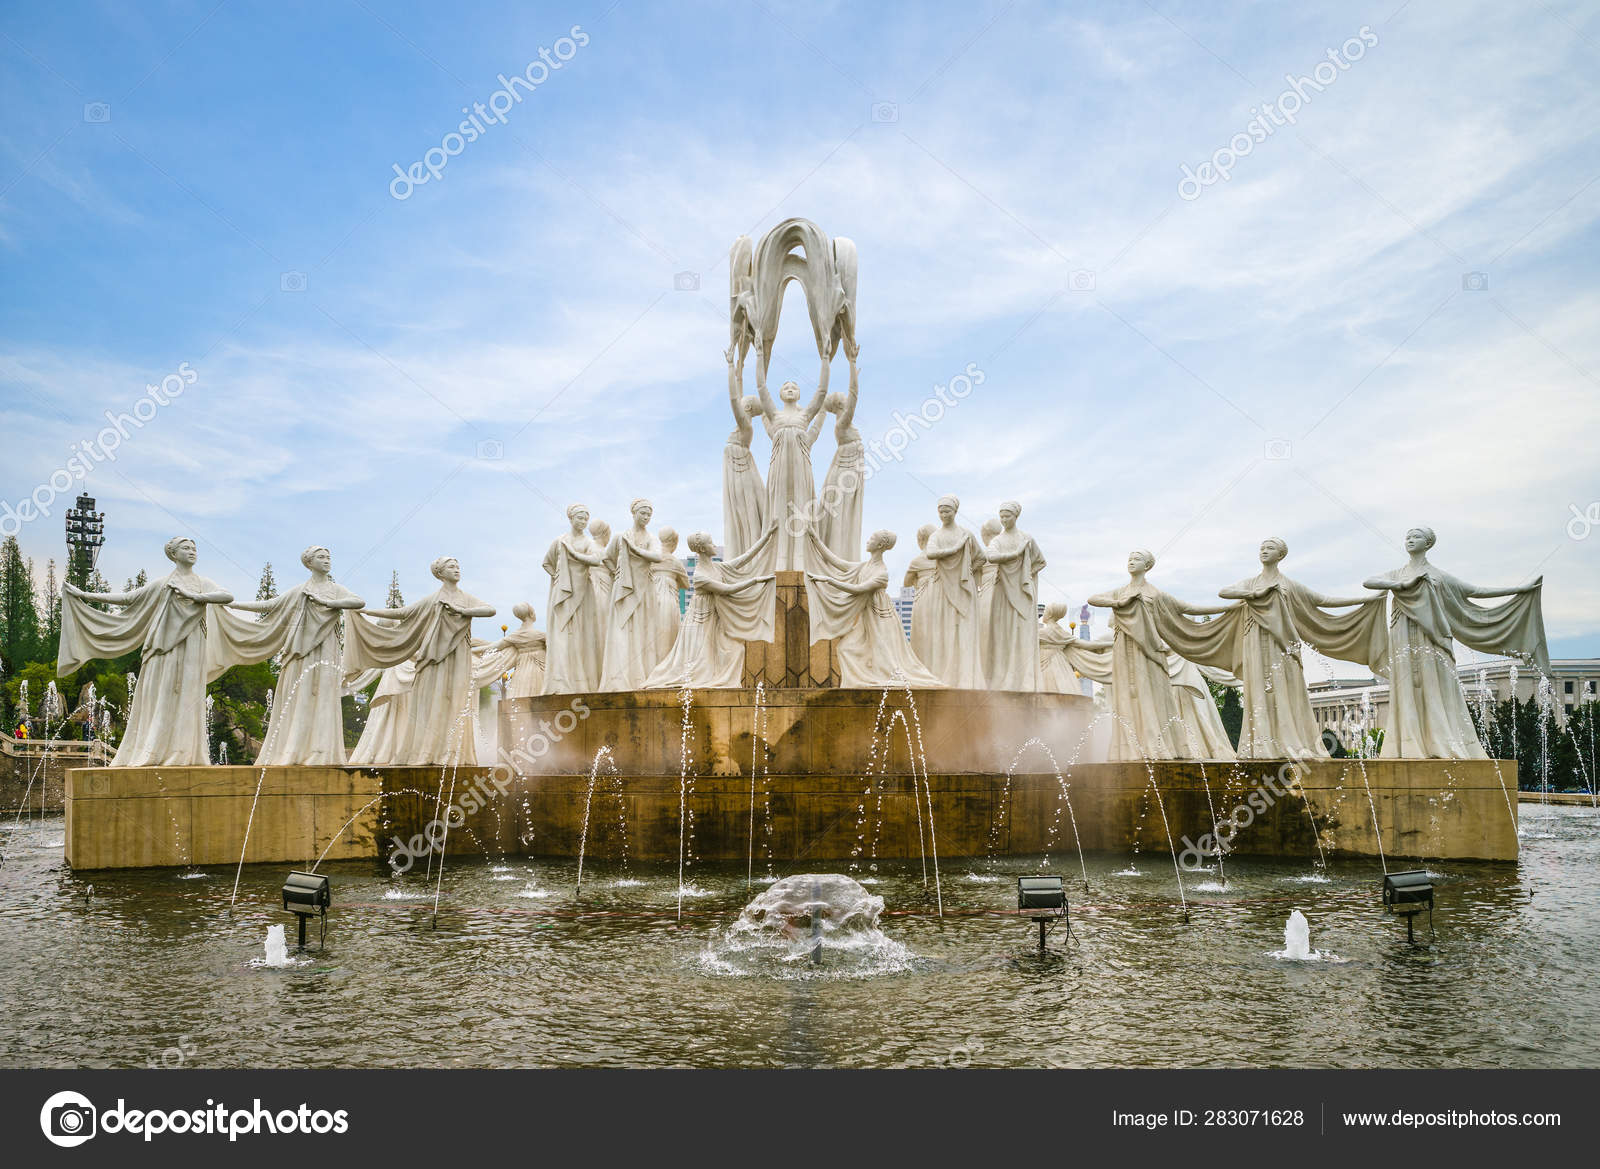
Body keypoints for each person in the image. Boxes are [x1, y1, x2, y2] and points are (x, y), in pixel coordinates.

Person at [1363, 527, 1546, 759]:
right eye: (1408, 536)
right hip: (1401, 634)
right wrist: (1400, 586)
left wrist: (1518, 589)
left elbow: (1476, 591)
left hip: (1432, 638)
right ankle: (1408, 743)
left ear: (1428, 543)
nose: (1410, 540)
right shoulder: (1398, 574)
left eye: (1416, 536)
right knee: (1405, 686)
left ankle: (1440, 740)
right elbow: (1368, 581)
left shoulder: (1438, 576)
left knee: (1434, 684)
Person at [59, 536, 234, 766]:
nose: (192, 551)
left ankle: (183, 752)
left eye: (194, 548)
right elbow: (128, 598)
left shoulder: (202, 584)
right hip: (163, 649)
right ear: (173, 553)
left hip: (193, 646)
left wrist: (196, 597)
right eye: (186, 548)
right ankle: (155, 750)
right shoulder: (163, 584)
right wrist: (85, 595)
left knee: (188, 696)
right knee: (162, 695)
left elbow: (227, 596)